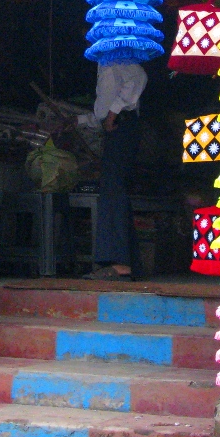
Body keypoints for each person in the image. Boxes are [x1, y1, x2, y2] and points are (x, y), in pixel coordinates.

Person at [86, 63, 147, 281]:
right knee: (113, 191)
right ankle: (126, 262)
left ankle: (119, 262)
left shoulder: (118, 56)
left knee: (113, 190)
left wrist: (113, 112)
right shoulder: (104, 63)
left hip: (122, 126)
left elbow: (139, 76)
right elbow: (102, 109)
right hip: (114, 127)